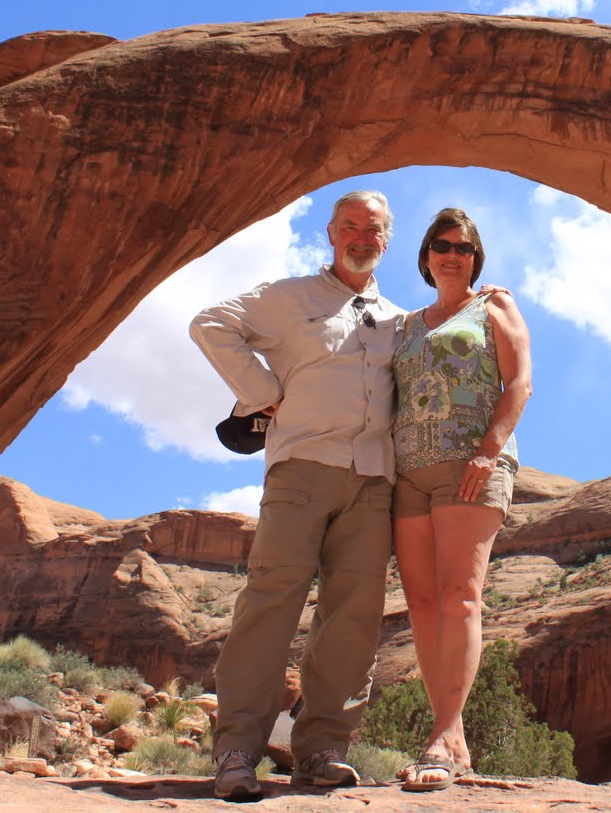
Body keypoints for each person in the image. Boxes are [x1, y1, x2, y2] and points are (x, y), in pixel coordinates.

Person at [190, 189, 404, 802]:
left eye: (374, 229)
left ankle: (323, 749)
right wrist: (261, 391)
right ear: (332, 234)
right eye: (350, 227)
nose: (362, 237)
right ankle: (236, 750)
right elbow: (209, 322)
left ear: (386, 240)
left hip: (371, 480)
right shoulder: (288, 299)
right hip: (301, 469)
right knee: (270, 604)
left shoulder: (395, 318)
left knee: (353, 618)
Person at [390, 207, 532, 792]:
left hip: (470, 467)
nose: (453, 255)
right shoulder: (403, 325)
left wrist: (487, 449)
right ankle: (454, 740)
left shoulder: (493, 306)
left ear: (476, 258)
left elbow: (519, 380)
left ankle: (444, 736)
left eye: (465, 247)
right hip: (408, 473)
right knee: (422, 605)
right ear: (425, 257)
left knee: (460, 599)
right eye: (443, 245)